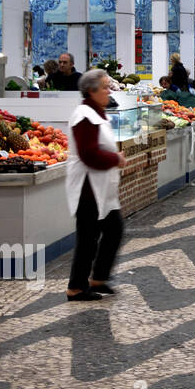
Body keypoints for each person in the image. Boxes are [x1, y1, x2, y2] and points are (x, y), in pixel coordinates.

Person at [64, 68, 127, 301]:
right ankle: (76, 287)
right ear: (91, 91)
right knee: (88, 238)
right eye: (104, 87)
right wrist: (116, 159)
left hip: (103, 187)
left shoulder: (97, 112)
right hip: (88, 187)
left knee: (114, 230)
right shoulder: (83, 115)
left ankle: (99, 278)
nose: (108, 91)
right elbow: (88, 154)